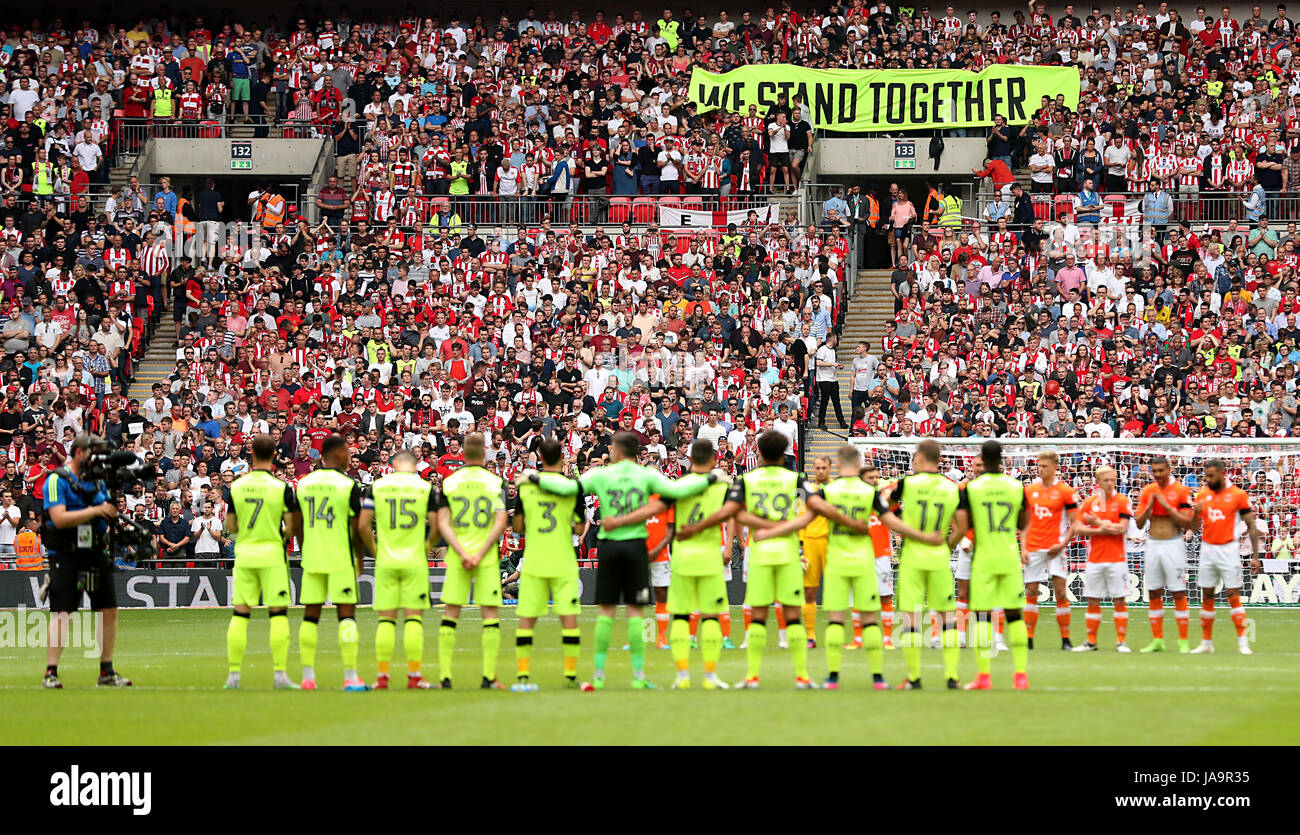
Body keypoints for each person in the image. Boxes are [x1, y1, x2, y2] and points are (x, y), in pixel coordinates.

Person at [532, 431, 713, 689]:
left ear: (617, 450)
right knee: (635, 612)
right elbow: (678, 489)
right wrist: (710, 478)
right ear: (635, 452)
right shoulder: (646, 475)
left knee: (605, 611)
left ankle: (598, 676)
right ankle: (638, 676)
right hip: (635, 546)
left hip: (608, 546)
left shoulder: (601, 474)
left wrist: (535, 478)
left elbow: (569, 488)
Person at [775, 444, 940, 690]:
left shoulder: (828, 491)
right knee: (870, 619)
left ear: (838, 465)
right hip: (864, 559)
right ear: (858, 463)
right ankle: (877, 677)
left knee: (835, 619)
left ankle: (832, 677)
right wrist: (922, 536)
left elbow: (805, 518)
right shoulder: (870, 492)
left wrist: (773, 531)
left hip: (837, 561)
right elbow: (891, 520)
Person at [722, 431, 814, 688]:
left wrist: (765, 527)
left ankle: (752, 676)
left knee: (759, 616)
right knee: (793, 616)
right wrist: (783, 527)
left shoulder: (746, 480)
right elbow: (813, 511)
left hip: (760, 553)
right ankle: (802, 676)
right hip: (788, 553)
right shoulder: (797, 478)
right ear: (785, 454)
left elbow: (734, 512)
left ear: (759, 453)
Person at [41, 434, 132, 688]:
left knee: (109, 610)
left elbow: (105, 513)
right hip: (66, 554)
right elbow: (58, 518)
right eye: (94, 453)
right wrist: (95, 511)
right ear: (79, 452)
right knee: (62, 612)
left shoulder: (98, 482)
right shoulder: (56, 479)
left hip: (94, 551)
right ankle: (51, 672)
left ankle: (106, 671)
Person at [949, 440, 1030, 690]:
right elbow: (1025, 523)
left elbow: (962, 525)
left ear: (983, 458)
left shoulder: (971, 488)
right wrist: (1024, 546)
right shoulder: (1016, 487)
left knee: (982, 616)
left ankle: (984, 676)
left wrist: (948, 544)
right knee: (1015, 617)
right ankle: (1021, 676)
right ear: (1002, 459)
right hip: (1009, 556)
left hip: (983, 557)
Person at [509, 438, 586, 692]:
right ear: (562, 457)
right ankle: (571, 676)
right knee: (568, 617)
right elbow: (578, 526)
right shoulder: (571, 486)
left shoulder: (528, 487)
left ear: (539, 456)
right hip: (563, 558)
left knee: (528, 619)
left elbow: (518, 527)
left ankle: (522, 677)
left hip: (535, 559)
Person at [655, 439, 733, 690]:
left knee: (679, 616)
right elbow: (731, 514)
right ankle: (710, 676)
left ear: (689, 459)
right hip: (710, 556)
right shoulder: (720, 487)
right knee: (710, 617)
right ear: (712, 460)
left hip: (682, 557)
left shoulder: (678, 486)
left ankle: (682, 676)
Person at [435, 432, 511, 689]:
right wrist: (478, 553)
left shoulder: (450, 482)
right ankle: (488, 677)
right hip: (486, 557)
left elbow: (443, 522)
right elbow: (501, 521)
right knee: (490, 615)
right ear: (484, 452)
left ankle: (445, 677)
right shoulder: (496, 482)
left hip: (458, 555)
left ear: (463, 453)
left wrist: (462, 550)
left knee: (450, 613)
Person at [293, 433, 368, 690]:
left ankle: (307, 677)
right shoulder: (349, 485)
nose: (349, 454)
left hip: (313, 556)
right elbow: (358, 526)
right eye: (346, 450)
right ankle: (350, 677)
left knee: (310, 617)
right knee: (346, 616)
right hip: (340, 558)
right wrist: (359, 558)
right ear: (335, 453)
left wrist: (305, 549)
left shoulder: (304, 484)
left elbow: (297, 523)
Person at [225, 433, 301, 689]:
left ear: (252, 453)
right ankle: (279, 674)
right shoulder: (282, 488)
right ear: (273, 455)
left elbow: (230, 525)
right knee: (278, 614)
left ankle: (234, 675)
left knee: (240, 614)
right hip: (272, 554)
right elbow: (291, 528)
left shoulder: (236, 486)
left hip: (245, 553)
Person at [359, 450, 439, 688]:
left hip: (386, 559)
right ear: (415, 466)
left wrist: (375, 552)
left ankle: (382, 677)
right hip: (414, 559)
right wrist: (426, 546)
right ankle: (414, 676)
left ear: (393, 464)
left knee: (386, 621)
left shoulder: (378, 486)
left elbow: (363, 525)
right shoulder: (425, 489)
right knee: (414, 619)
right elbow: (437, 525)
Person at [891, 438, 961, 689]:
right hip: (939, 556)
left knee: (910, 617)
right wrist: (947, 544)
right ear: (939, 459)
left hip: (911, 557)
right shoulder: (951, 487)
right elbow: (961, 525)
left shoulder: (906, 483)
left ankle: (914, 678)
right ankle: (952, 677)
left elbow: (882, 508)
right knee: (948, 617)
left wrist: (901, 525)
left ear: (919, 458)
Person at [1190, 459, 1262, 654]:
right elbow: (1194, 528)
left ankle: (1243, 643)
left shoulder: (1238, 495)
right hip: (1207, 549)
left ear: (1222, 473)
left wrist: (1255, 556)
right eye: (1206, 476)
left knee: (1233, 595)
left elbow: (1251, 526)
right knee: (1207, 595)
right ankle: (1206, 642)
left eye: (1212, 475)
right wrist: (1195, 514)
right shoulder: (1203, 495)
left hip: (1229, 549)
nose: (1208, 479)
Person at [1133, 457, 1195, 653]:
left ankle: (1183, 640)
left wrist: (1168, 508)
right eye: (1155, 471)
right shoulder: (1148, 491)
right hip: (1152, 544)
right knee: (1153, 591)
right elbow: (1139, 523)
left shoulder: (1181, 491)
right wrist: (1150, 506)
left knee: (1177, 591)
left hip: (1173, 544)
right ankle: (1157, 639)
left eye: (1161, 470)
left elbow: (1187, 522)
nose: (1158, 475)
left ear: (1169, 470)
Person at [1069, 466, 1133, 653]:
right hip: (1095, 559)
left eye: (1113, 479)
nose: (1110, 483)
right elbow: (1078, 528)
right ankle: (1091, 641)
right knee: (1092, 600)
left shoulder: (1122, 500)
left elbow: (1123, 528)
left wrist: (1097, 522)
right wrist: (1100, 529)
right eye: (1106, 480)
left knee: (1119, 600)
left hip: (1117, 558)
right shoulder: (1090, 502)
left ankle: (1121, 642)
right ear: (1098, 481)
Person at [1022, 450, 1078, 650]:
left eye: (1045, 466)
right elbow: (1025, 524)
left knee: (1061, 592)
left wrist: (1062, 544)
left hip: (1056, 548)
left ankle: (1065, 639)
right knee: (1031, 591)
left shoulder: (1065, 491)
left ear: (1055, 468)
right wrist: (1024, 548)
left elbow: (1075, 523)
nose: (1041, 469)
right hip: (1034, 547)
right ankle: (1028, 639)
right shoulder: (1029, 491)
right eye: (1039, 465)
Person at [797, 455, 832, 649]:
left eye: (823, 468)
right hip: (810, 542)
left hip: (830, 543)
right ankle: (810, 636)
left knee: (836, 590)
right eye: (817, 468)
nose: (820, 471)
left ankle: (839, 633)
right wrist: (800, 547)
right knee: (809, 591)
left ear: (830, 468)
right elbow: (800, 518)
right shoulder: (805, 491)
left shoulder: (836, 489)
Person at [815, 332, 847, 430]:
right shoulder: (822, 349)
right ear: (833, 338)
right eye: (836, 338)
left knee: (836, 401)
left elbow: (829, 363)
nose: (837, 340)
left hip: (833, 378)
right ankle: (821, 422)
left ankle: (841, 421)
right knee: (824, 401)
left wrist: (837, 366)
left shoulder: (833, 350)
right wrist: (832, 364)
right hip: (824, 379)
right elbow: (818, 362)